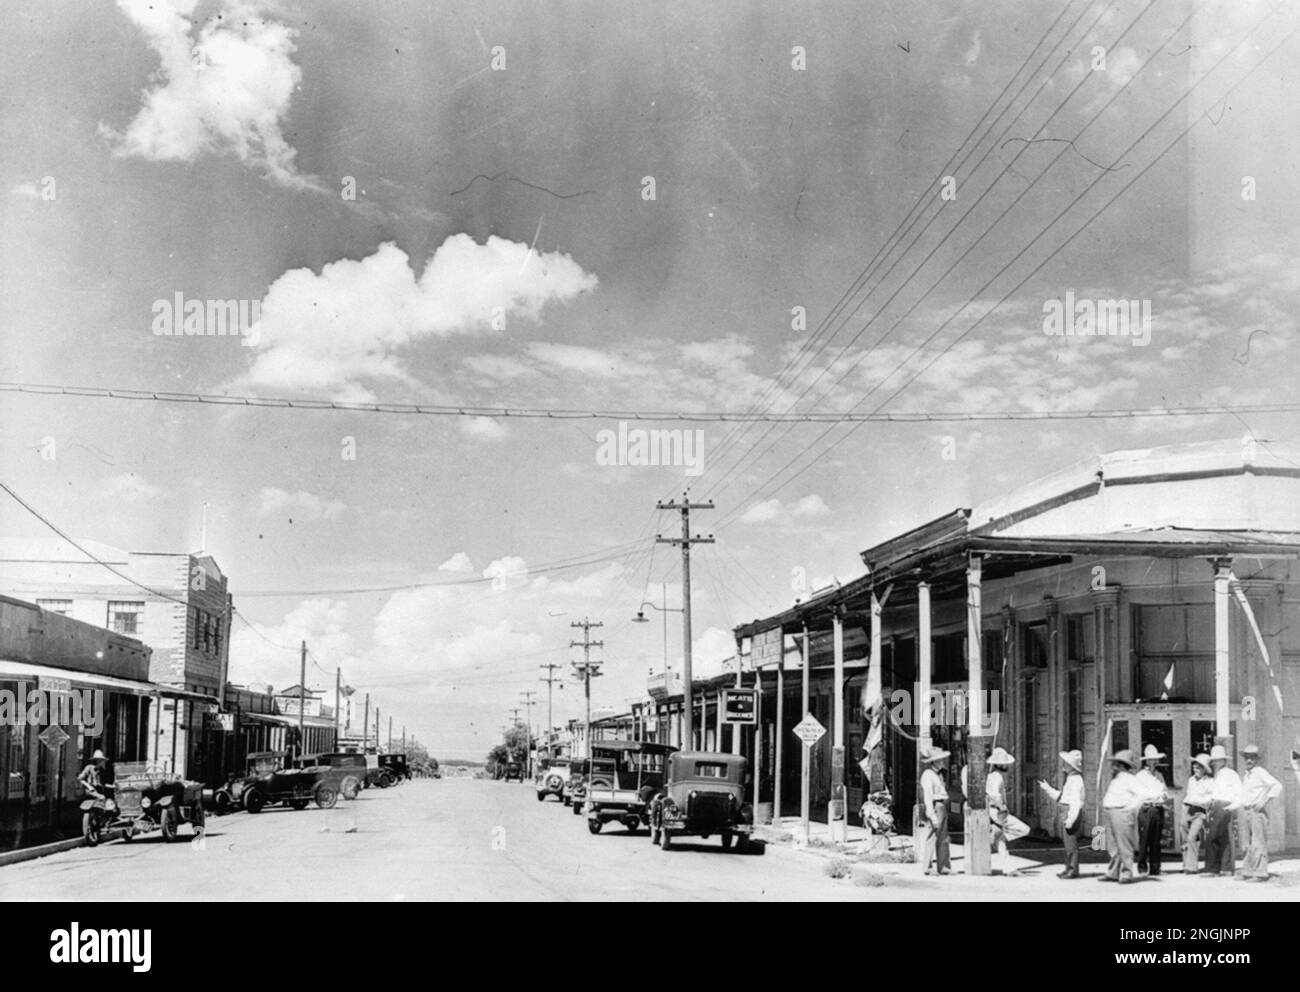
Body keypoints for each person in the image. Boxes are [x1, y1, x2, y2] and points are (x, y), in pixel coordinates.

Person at [1234, 744, 1282, 881]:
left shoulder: (1260, 771)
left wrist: (1264, 802)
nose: (1249, 761)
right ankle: (1248, 871)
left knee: (1258, 842)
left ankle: (1260, 873)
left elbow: (1277, 786)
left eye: (1252, 758)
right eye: (1247, 758)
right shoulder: (1247, 775)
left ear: (1256, 759)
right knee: (1246, 842)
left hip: (1257, 811)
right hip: (1246, 810)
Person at [1039, 749, 1086, 878]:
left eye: (1066, 762)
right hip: (1065, 811)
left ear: (1071, 765)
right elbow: (1063, 797)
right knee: (1067, 843)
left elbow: (1075, 802)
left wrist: (1070, 819)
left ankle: (1072, 869)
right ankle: (1069, 867)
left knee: (1071, 843)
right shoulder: (1071, 778)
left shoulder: (1076, 780)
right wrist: (1048, 789)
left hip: (1069, 812)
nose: (1063, 764)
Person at [1100, 749, 1142, 884]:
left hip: (1121, 813)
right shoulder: (1116, 779)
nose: (1113, 767)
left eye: (1116, 764)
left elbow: (1141, 795)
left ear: (1122, 766)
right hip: (1111, 812)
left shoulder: (1130, 779)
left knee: (1124, 845)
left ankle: (1126, 873)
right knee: (1113, 845)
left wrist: (1131, 808)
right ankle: (1113, 872)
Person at [1202, 744, 1242, 876]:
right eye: (1213, 760)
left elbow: (1240, 793)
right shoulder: (1217, 776)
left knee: (1212, 837)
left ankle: (1212, 869)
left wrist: (1231, 807)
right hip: (1216, 806)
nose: (1214, 763)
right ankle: (1225, 868)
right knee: (1222, 837)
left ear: (1224, 761)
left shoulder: (1231, 774)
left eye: (1217, 760)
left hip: (1224, 806)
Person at [1135, 744, 1170, 875]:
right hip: (1146, 809)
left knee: (1156, 840)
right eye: (1151, 760)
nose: (1153, 762)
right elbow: (1142, 794)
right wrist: (1156, 795)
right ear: (1146, 761)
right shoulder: (1140, 776)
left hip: (1157, 809)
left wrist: (1162, 795)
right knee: (1144, 839)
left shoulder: (1159, 776)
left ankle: (1155, 868)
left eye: (1155, 760)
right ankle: (1142, 866)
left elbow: (1165, 791)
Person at [918, 744, 951, 876]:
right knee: (933, 836)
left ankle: (943, 866)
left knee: (943, 837)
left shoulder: (939, 775)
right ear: (935, 761)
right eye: (940, 760)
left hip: (942, 805)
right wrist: (931, 814)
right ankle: (927, 866)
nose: (942, 762)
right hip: (936, 805)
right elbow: (928, 797)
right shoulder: (928, 775)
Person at [1182, 753, 1213, 874]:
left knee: (1192, 837)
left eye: (1199, 766)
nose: (1196, 768)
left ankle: (1192, 867)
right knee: (1184, 837)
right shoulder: (1191, 780)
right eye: (1195, 766)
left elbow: (1208, 800)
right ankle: (1186, 865)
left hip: (1199, 811)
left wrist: (1196, 800)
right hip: (1187, 808)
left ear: (1205, 769)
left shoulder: (1210, 782)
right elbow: (1189, 796)